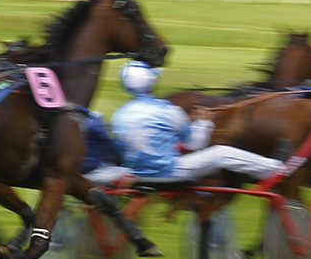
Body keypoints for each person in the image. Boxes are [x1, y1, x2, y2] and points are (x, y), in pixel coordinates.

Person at [108, 61, 282, 183]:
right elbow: (196, 143)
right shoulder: (167, 110)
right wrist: (204, 122)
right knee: (222, 153)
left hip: (135, 173)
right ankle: (277, 170)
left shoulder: (119, 115)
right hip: (170, 172)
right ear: (152, 82)